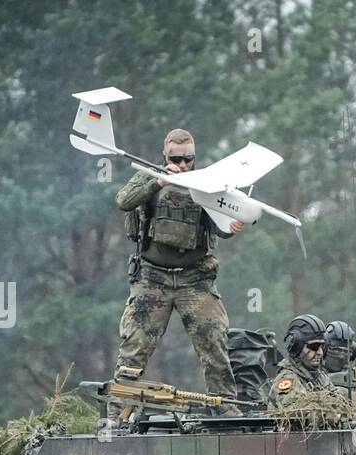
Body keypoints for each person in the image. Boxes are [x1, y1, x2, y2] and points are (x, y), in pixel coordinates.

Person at [110, 128, 244, 419]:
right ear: (165, 155)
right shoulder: (149, 176)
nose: (182, 165)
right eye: (176, 159)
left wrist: (233, 226)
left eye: (188, 160)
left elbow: (222, 222)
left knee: (214, 339)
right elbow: (124, 200)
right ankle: (118, 413)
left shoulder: (209, 183)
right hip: (152, 279)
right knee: (135, 346)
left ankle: (223, 407)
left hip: (194, 279)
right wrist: (159, 181)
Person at [268, 314, 334, 406]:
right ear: (296, 347)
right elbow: (298, 411)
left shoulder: (320, 377)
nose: (320, 352)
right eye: (314, 347)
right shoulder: (287, 379)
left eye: (322, 346)